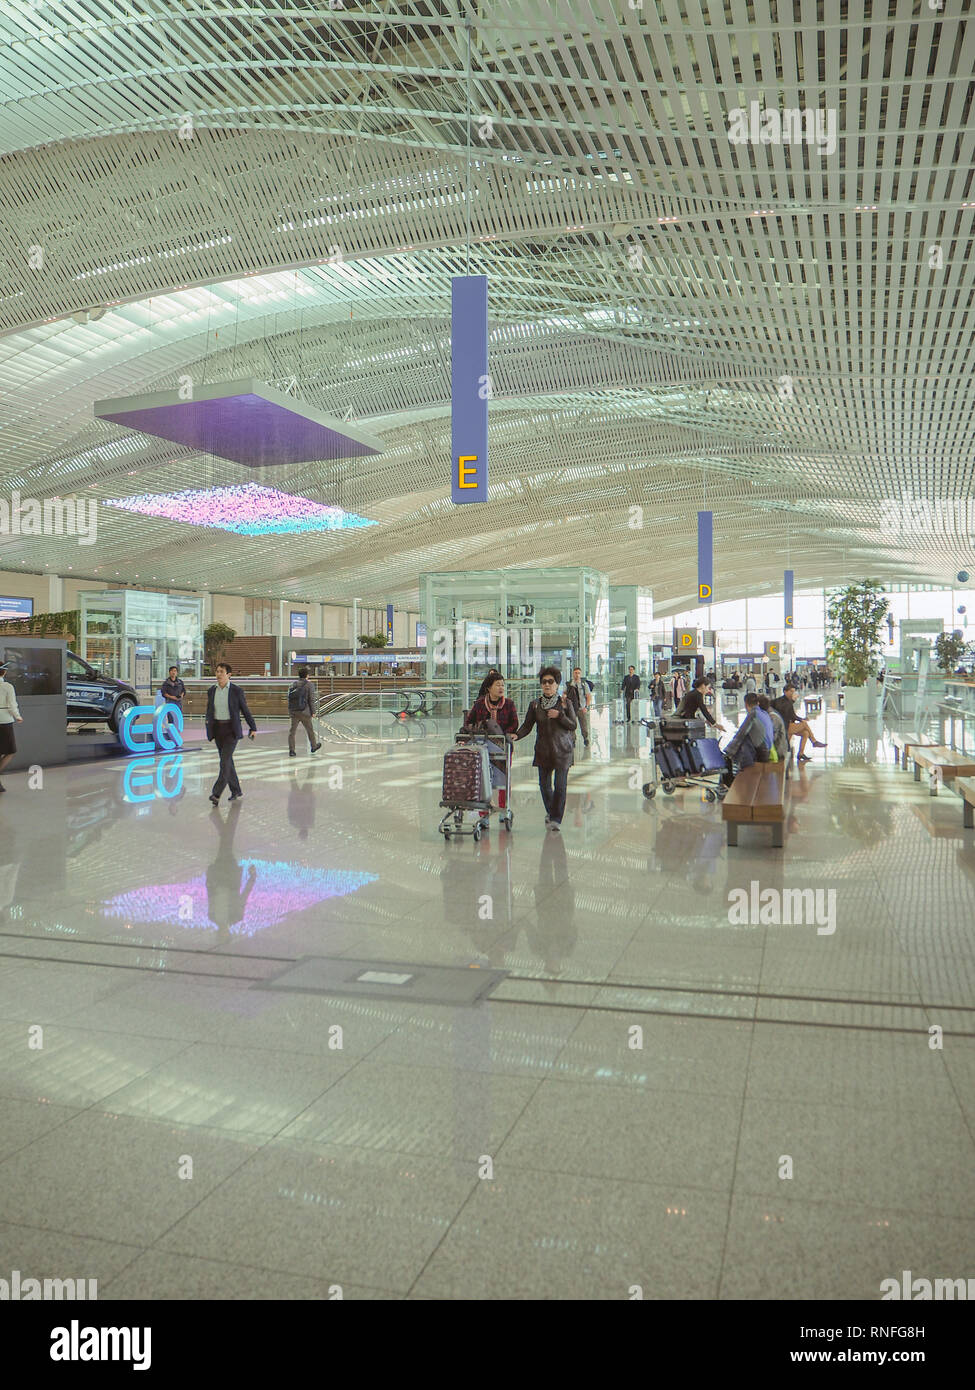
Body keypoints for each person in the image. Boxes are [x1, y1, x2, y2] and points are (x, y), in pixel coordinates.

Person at [512, 666, 577, 832]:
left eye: (551, 682)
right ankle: (551, 811)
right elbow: (527, 726)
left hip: (563, 751)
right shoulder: (535, 705)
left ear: (557, 684)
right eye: (544, 682)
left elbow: (573, 725)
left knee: (560, 786)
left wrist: (560, 715)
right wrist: (516, 736)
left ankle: (556, 819)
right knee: (544, 786)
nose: (547, 685)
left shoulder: (565, 703)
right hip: (543, 751)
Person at [464, 672, 518, 816]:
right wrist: (479, 728)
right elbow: (468, 723)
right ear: (489, 688)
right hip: (483, 747)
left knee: (504, 778)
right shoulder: (480, 704)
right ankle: (484, 812)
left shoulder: (509, 704)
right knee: (483, 777)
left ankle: (503, 808)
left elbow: (514, 724)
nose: (501, 688)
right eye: (498, 685)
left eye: (502, 685)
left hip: (503, 747)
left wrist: (504, 734)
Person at [205, 662, 257, 804]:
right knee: (228, 762)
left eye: (221, 672)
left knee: (224, 761)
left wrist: (253, 727)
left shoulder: (236, 691)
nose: (218, 674)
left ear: (229, 675)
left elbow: (245, 710)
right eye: (217, 671)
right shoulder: (211, 691)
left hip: (231, 730)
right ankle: (236, 790)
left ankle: (216, 794)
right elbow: (210, 710)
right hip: (217, 730)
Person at [772, 682, 826, 763]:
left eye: (793, 691)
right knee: (804, 724)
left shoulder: (788, 701)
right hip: (784, 725)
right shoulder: (782, 701)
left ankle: (801, 753)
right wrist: (801, 719)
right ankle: (814, 741)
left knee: (805, 733)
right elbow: (787, 712)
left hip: (789, 724)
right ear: (785, 691)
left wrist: (801, 719)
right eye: (791, 691)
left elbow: (792, 715)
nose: (792, 693)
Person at [723, 692, 771, 770]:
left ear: (746, 704)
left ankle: (742, 768)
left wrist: (728, 751)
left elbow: (741, 733)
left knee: (744, 740)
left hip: (762, 753)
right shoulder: (764, 713)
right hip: (767, 749)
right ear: (757, 703)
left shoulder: (753, 714)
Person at [0, 661, 24, 793]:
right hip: (4, 721)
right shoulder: (7, 686)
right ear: (4, 672)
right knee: (10, 751)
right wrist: (18, 716)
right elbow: (12, 704)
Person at [288, 667, 322, 756]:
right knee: (310, 730)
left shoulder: (293, 684)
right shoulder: (309, 685)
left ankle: (292, 750)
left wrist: (290, 711)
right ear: (307, 675)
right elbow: (311, 699)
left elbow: (290, 698)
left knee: (292, 732)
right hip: (305, 712)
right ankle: (313, 746)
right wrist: (313, 712)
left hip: (294, 711)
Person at [757, 693, 789, 763]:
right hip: (774, 750)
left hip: (777, 752)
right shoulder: (768, 714)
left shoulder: (772, 717)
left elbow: (772, 737)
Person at [565, 666, 593, 746]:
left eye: (578, 673)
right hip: (571, 709)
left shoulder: (584, 685)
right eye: (575, 673)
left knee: (584, 725)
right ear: (573, 674)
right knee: (571, 725)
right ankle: (573, 740)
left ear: (580, 674)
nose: (577, 675)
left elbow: (588, 696)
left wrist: (586, 707)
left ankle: (585, 738)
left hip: (581, 708)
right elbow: (564, 694)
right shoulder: (569, 684)